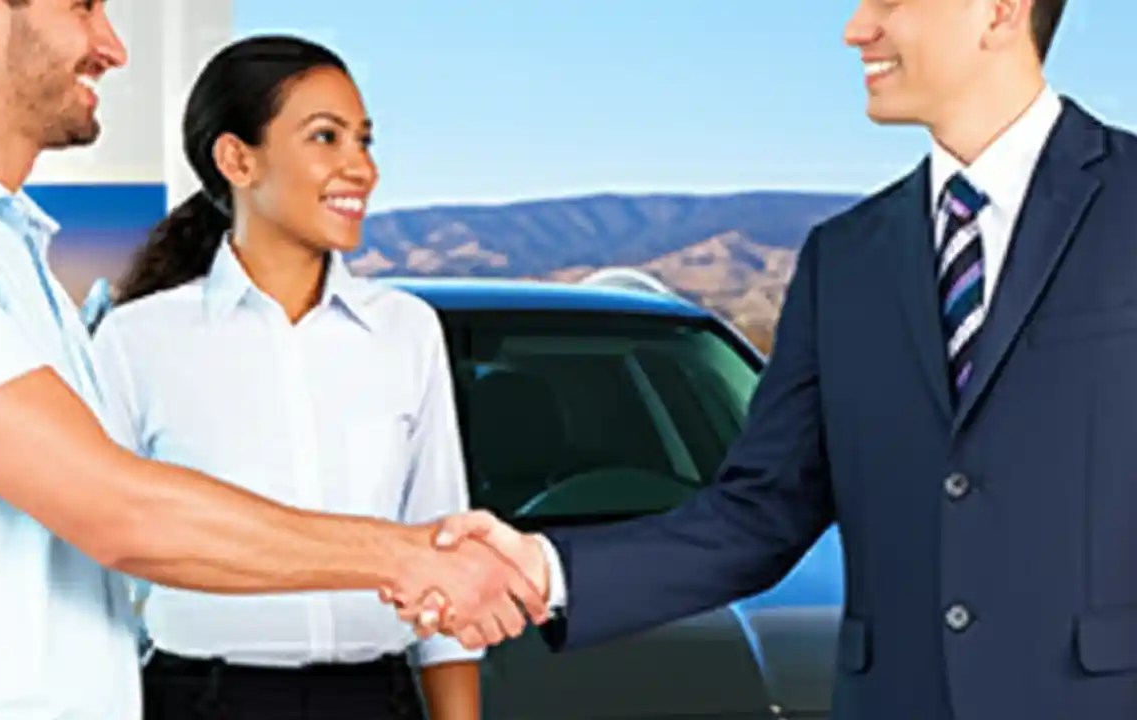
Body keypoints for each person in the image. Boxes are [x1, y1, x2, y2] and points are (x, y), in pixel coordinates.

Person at [405, 0, 1137, 718]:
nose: (857, 28)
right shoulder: (844, 259)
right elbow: (758, 514)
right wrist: (544, 568)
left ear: (1001, 11)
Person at [0, 3, 543, 719]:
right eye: (83, 6)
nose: (113, 46)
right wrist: (411, 557)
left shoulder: (9, 253)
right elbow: (118, 511)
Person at [88, 34, 483, 720]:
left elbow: (441, 560)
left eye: (365, 141)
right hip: (199, 702)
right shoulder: (137, 341)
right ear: (237, 158)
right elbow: (96, 568)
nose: (361, 167)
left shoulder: (406, 332)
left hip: (375, 701)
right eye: (326, 138)